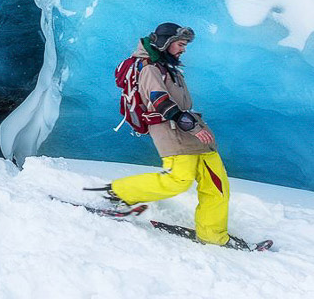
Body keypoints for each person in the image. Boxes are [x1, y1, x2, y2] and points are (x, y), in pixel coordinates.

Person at [94, 22, 232, 245]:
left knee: (217, 185)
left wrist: (196, 127)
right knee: (178, 180)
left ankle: (211, 234)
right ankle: (120, 193)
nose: (183, 48)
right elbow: (160, 102)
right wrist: (193, 127)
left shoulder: (169, 68)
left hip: (193, 130)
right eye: (180, 43)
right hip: (172, 130)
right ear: (165, 43)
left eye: (184, 44)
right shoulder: (149, 68)